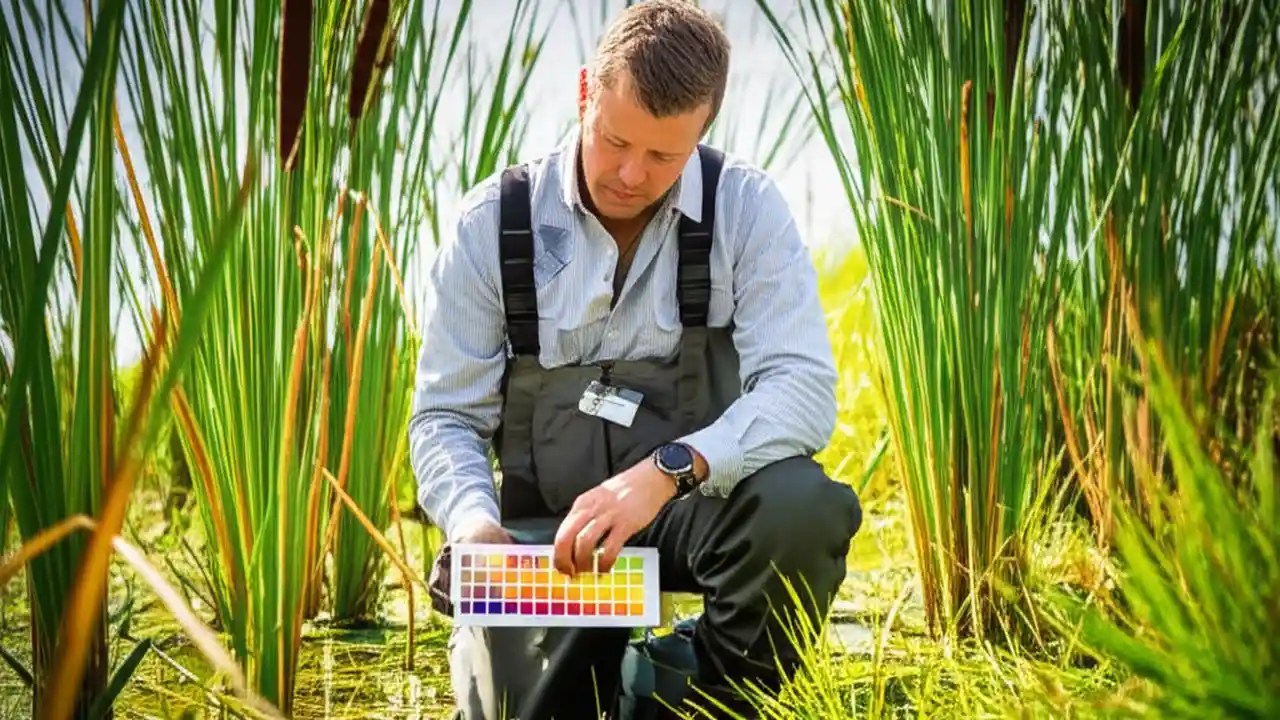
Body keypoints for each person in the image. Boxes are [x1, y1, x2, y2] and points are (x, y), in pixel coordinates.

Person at [409, 1, 863, 717]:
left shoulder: (747, 208)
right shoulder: (489, 225)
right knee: (522, 708)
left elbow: (801, 390)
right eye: (615, 140)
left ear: (704, 129)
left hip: (690, 508)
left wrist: (664, 474)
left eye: (663, 157)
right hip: (543, 538)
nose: (629, 174)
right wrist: (472, 523)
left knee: (800, 507)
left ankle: (708, 696)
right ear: (587, 90)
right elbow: (443, 419)